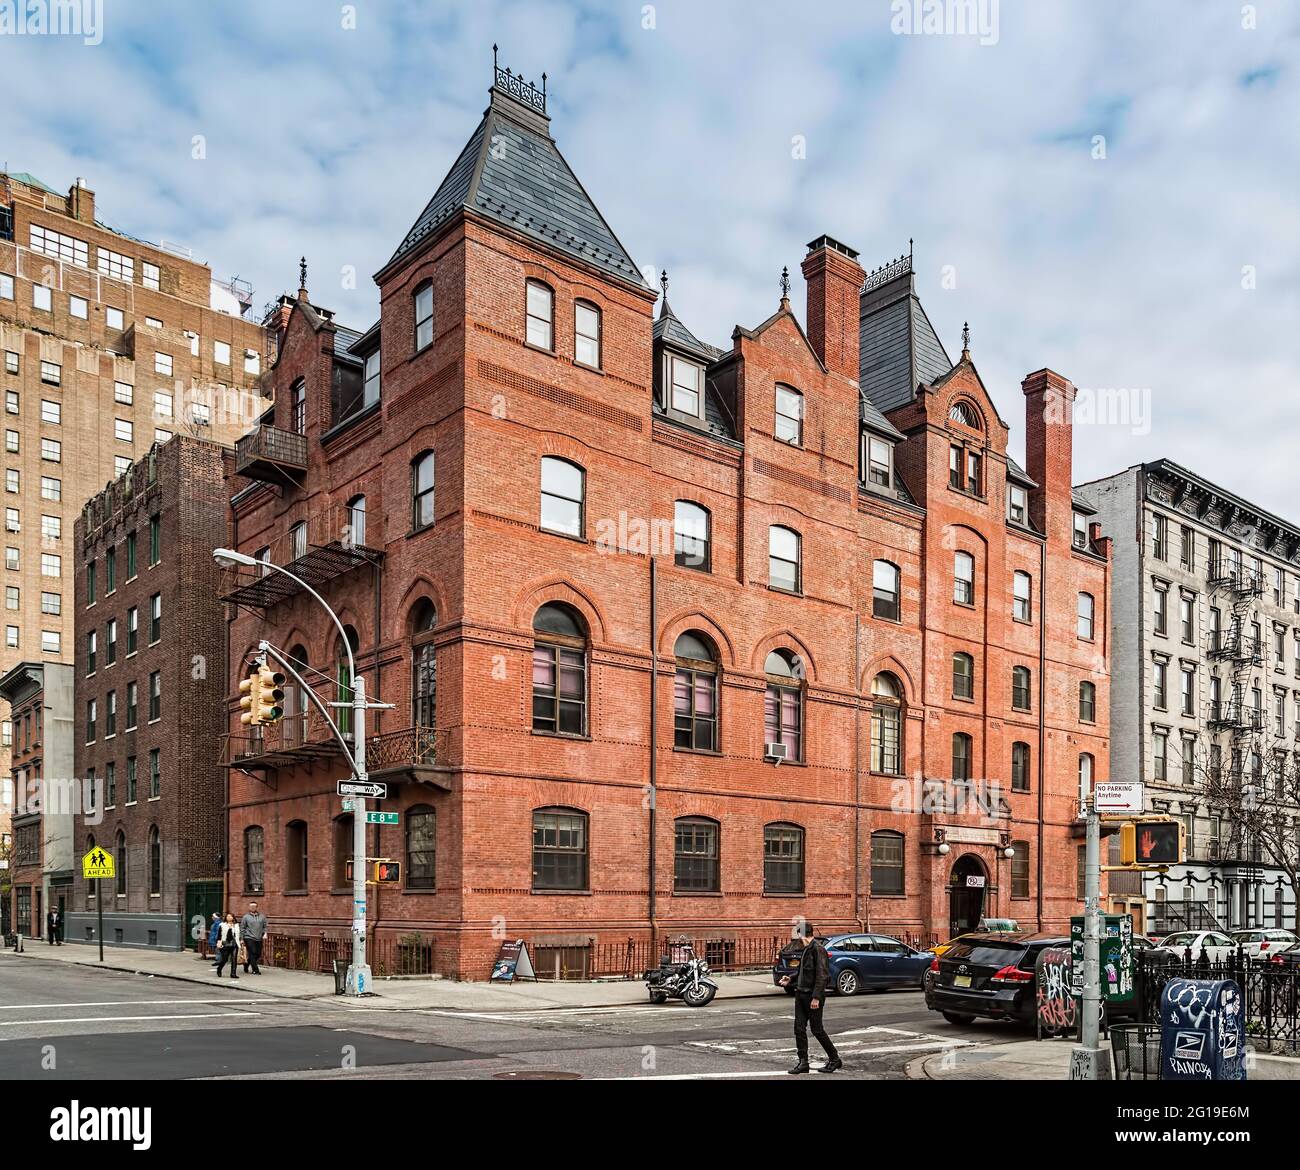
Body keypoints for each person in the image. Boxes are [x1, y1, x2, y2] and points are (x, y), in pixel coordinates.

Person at [778, 921, 842, 1074]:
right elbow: (804, 971)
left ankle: (834, 1059)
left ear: (801, 934)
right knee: (799, 1029)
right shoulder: (807, 949)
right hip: (800, 993)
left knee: (817, 1030)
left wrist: (816, 997)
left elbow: (822, 975)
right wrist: (791, 979)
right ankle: (803, 1062)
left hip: (811, 996)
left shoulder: (818, 950)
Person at [239, 901, 267, 975]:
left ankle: (246, 964)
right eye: (251, 906)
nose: (253, 908)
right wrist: (241, 939)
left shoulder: (262, 916)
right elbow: (242, 928)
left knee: (258, 954)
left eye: (254, 906)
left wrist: (265, 934)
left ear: (257, 907)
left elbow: (265, 926)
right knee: (252, 952)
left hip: (259, 938)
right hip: (249, 937)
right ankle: (255, 970)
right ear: (249, 907)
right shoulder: (246, 917)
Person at [214, 913, 241, 980]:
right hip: (225, 943)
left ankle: (233, 974)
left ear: (233, 917)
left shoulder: (236, 925)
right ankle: (219, 969)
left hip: (234, 944)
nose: (229, 917)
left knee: (234, 959)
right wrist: (219, 942)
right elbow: (219, 935)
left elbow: (238, 934)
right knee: (224, 959)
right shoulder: (222, 925)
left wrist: (241, 940)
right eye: (228, 916)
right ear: (226, 918)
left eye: (231, 916)